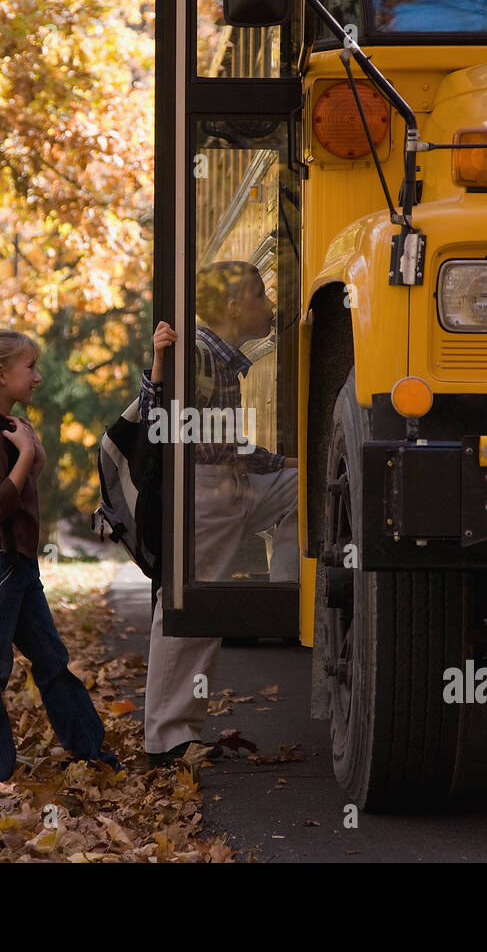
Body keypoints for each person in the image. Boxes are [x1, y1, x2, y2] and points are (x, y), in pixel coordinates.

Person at [141, 261, 298, 767]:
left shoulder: (221, 358)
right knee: (190, 607)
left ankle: (290, 599)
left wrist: (285, 465)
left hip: (231, 487)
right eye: (260, 296)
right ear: (235, 308)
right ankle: (167, 738)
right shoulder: (201, 354)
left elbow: (228, 444)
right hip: (205, 496)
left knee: (305, 487)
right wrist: (161, 369)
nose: (270, 306)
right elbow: (158, 422)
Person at [0, 328, 121, 784]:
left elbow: (17, 496)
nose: (38, 377)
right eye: (30, 368)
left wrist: (33, 456)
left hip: (16, 563)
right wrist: (26, 455)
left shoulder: (6, 430)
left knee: (51, 658)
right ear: (1, 373)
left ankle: (89, 749)